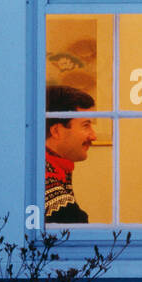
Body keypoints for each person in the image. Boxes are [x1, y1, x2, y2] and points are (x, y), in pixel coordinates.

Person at [44, 85, 96, 224]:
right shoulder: (59, 206)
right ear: (56, 131)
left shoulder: (44, 170)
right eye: (86, 125)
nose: (93, 136)